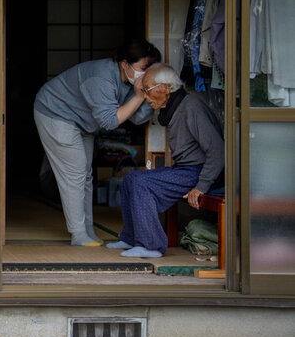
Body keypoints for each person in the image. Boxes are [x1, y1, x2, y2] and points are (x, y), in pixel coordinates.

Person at [34, 39, 160, 246]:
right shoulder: (101, 77)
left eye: (150, 70)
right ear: (125, 64)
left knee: (86, 175)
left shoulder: (130, 81)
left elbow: (137, 118)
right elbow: (110, 122)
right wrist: (139, 97)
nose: (145, 74)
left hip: (83, 121)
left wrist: (148, 93)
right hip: (55, 112)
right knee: (75, 174)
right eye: (143, 68)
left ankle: (88, 229)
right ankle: (78, 234)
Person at [108, 63, 224, 258]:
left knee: (141, 183)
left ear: (167, 88)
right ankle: (131, 237)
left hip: (199, 171)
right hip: (186, 170)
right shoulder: (174, 107)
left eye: (148, 90)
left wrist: (201, 186)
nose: (145, 97)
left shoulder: (191, 106)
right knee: (130, 179)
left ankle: (151, 245)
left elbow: (217, 150)